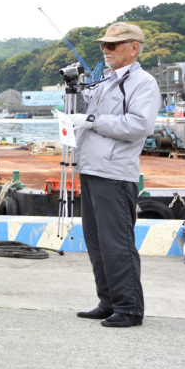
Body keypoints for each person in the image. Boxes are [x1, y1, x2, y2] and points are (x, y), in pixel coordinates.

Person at [67, 22, 160, 328]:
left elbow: (139, 125)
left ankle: (129, 308)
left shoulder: (143, 83)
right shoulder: (106, 80)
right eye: (103, 45)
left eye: (112, 45)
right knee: (96, 242)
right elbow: (84, 115)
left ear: (134, 48)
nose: (105, 50)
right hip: (91, 168)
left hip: (115, 173)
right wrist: (73, 91)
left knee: (117, 243)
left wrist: (92, 120)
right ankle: (109, 302)